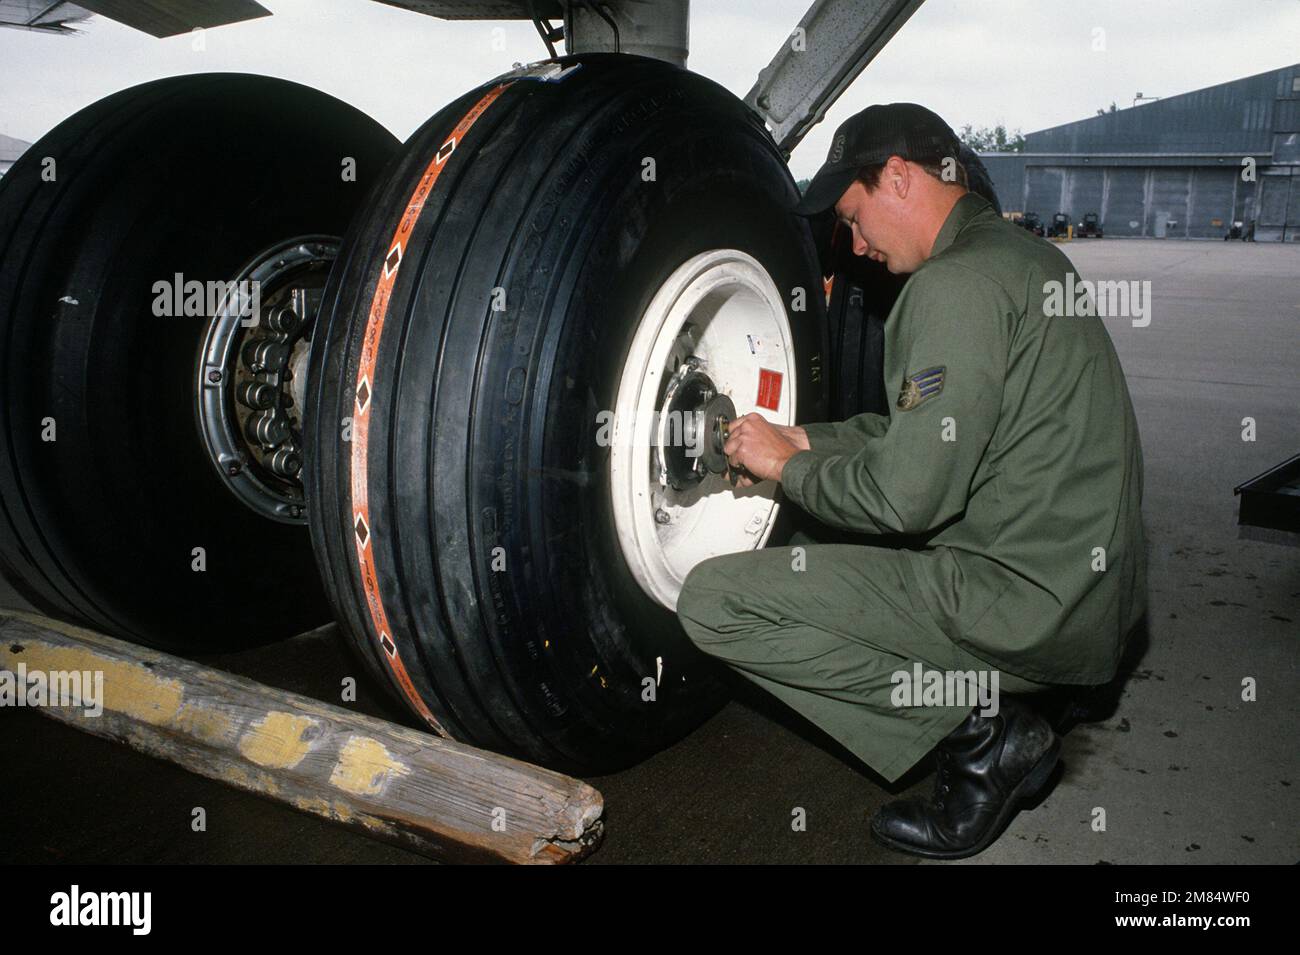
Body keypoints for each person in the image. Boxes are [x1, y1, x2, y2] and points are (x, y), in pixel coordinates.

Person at [675, 103, 1147, 859]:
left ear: (898, 176)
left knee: (714, 602)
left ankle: (985, 735)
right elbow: (935, 436)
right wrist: (807, 438)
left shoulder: (950, 289)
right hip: (1086, 600)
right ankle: (1018, 702)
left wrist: (787, 469)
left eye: (855, 217)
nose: (853, 246)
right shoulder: (1025, 260)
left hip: (1026, 607)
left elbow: (906, 496)